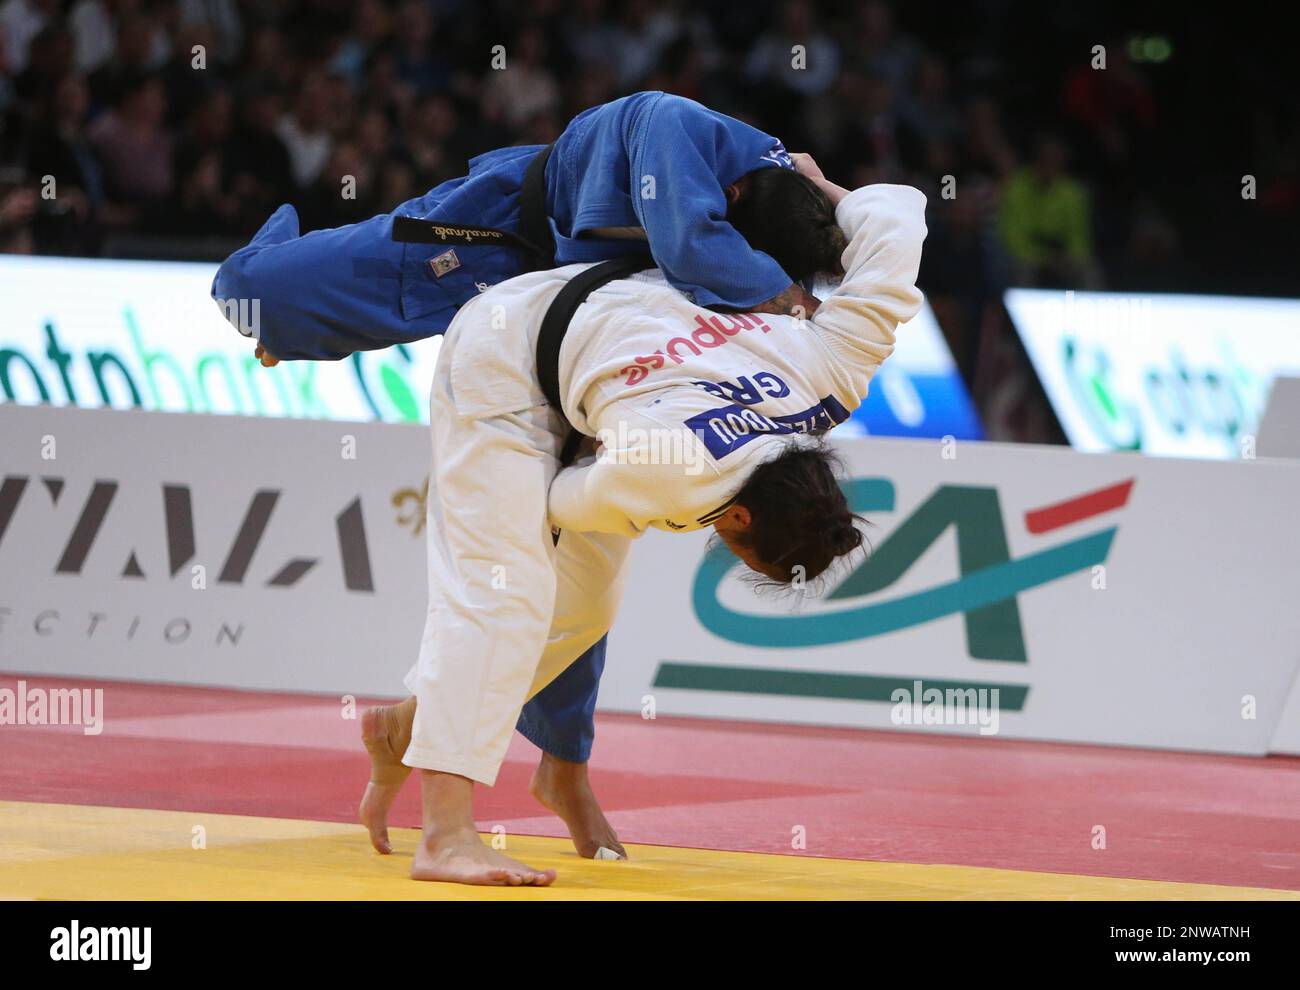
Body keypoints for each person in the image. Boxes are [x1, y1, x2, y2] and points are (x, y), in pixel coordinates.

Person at [214, 92, 847, 861]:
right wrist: (780, 296)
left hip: (583, 336)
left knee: (583, 582)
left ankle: (561, 765)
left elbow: (872, 239)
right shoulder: (682, 134)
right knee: (271, 303)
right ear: (735, 199)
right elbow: (688, 243)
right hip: (505, 240)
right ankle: (266, 291)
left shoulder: (784, 198)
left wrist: (837, 207)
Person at [365, 174, 927, 885]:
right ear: (742, 517)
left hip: (609, 328)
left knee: (589, 604)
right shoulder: (682, 478)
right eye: (736, 546)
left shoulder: (835, 372)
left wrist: (820, 184)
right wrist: (632, 465)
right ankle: (444, 835)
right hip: (505, 354)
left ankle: (409, 724)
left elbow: (901, 215)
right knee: (506, 590)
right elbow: (559, 503)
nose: (719, 540)